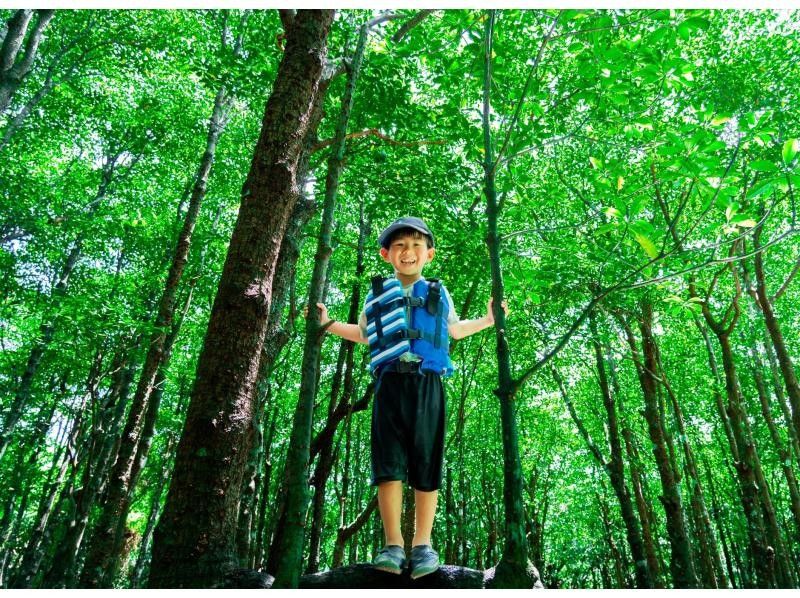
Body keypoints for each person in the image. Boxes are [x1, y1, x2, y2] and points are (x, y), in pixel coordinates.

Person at [313, 216, 507, 579]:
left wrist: (488, 320)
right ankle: (393, 545)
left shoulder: (437, 291)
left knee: (426, 460)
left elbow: (454, 329)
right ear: (387, 254)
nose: (408, 252)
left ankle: (422, 545)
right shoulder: (376, 294)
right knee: (388, 464)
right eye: (400, 246)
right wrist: (328, 325)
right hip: (389, 384)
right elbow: (366, 335)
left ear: (429, 254)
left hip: (427, 383)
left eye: (417, 245)